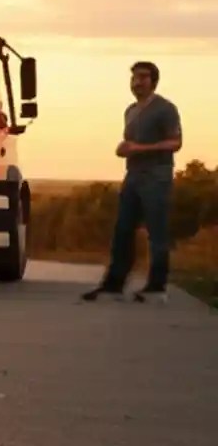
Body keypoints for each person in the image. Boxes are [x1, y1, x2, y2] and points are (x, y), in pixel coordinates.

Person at [82, 61, 183, 303]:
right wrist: (124, 148)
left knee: (156, 232)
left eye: (143, 77)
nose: (137, 82)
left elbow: (175, 142)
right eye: (134, 78)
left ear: (153, 81)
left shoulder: (165, 109)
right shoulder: (130, 110)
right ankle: (113, 286)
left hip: (156, 176)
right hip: (133, 175)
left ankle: (157, 288)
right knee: (123, 230)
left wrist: (140, 148)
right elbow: (131, 143)